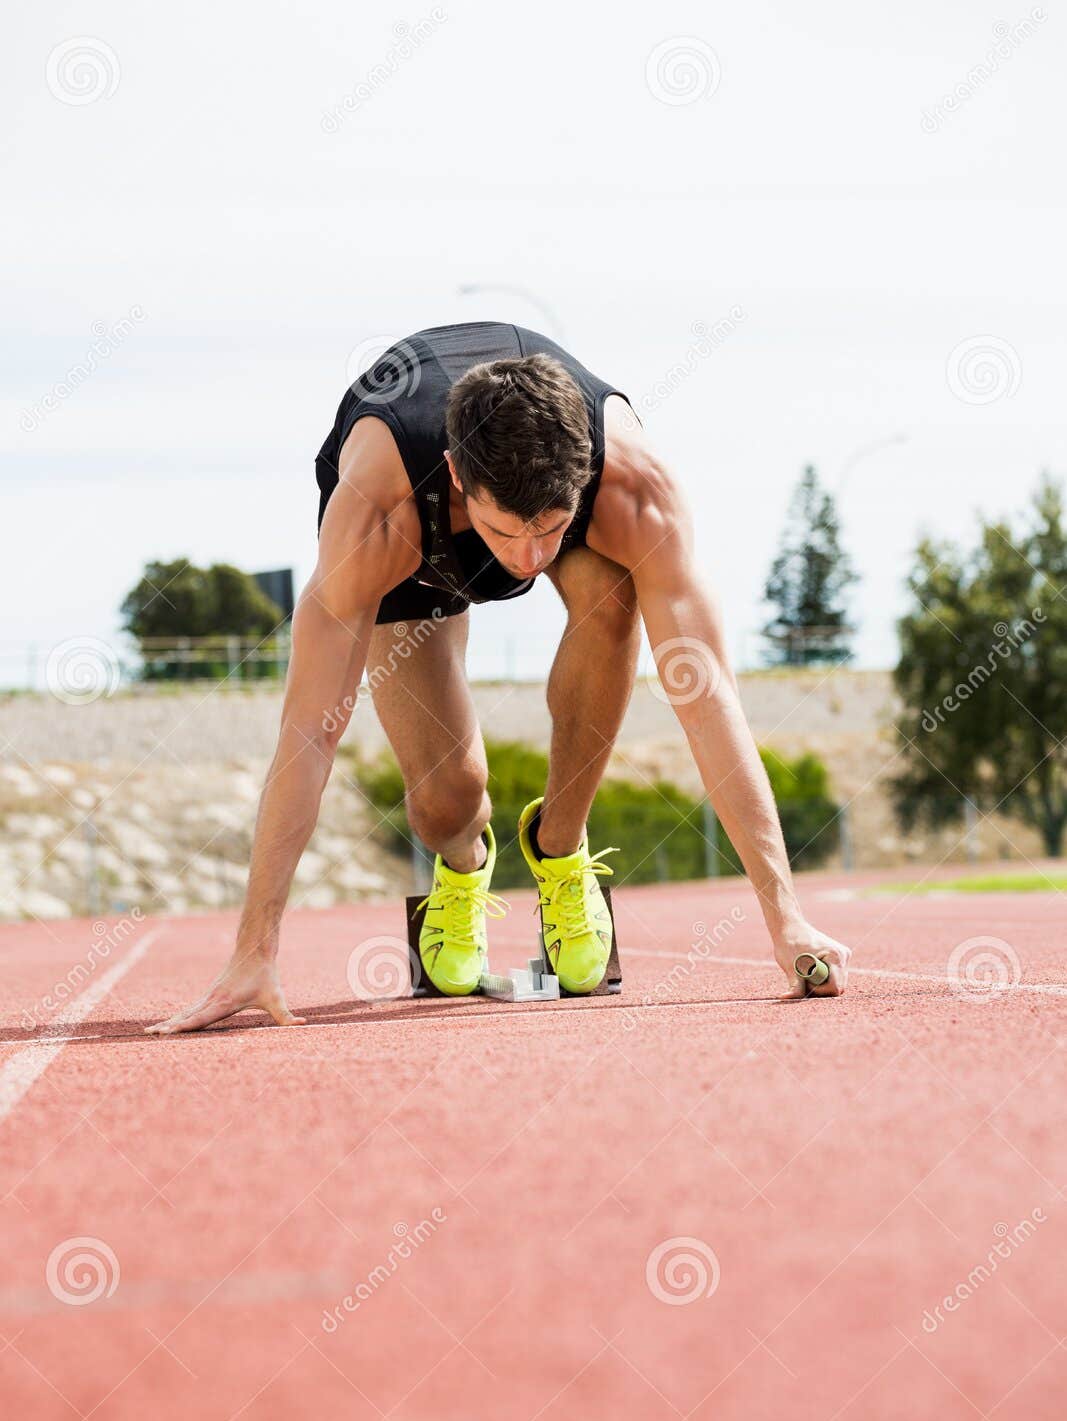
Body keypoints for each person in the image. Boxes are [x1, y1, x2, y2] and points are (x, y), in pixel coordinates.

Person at [148, 321, 850, 1033]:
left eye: (551, 528)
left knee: (612, 607)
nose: (529, 557)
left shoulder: (633, 488)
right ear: (458, 476)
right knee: (448, 800)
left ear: (583, 480)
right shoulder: (374, 511)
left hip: (548, 499)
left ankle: (560, 847)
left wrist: (786, 921)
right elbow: (308, 734)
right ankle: (461, 865)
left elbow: (707, 703)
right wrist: (253, 950)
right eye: (508, 531)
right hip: (417, 540)